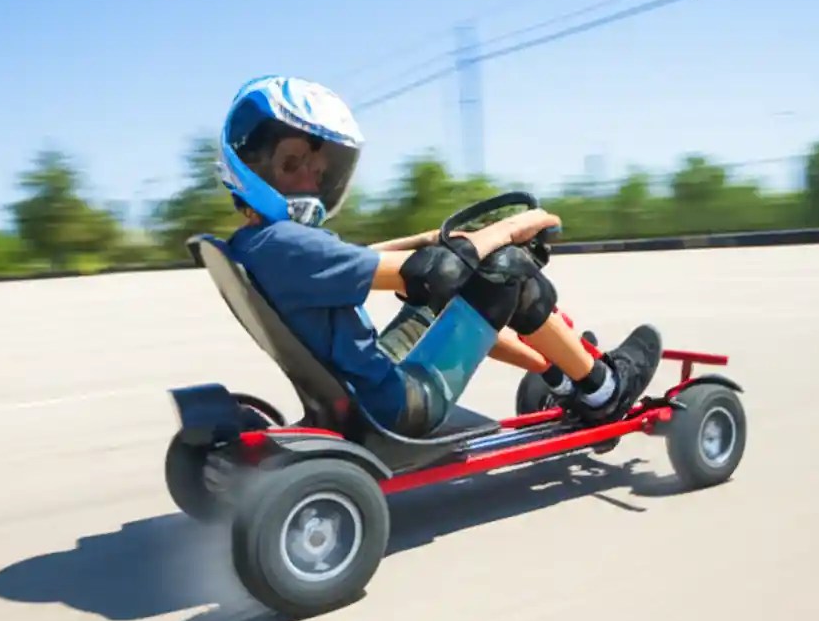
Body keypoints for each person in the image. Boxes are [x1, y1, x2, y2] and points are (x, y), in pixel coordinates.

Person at [216, 75, 663, 437]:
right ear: (251, 164)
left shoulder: (258, 245)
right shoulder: (292, 245)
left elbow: (352, 260)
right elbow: (434, 273)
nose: (310, 183)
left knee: (443, 300)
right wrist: (509, 229)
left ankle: (557, 374)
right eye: (292, 165)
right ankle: (603, 389)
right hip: (394, 406)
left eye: (317, 172)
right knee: (505, 275)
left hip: (352, 388)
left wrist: (429, 236)